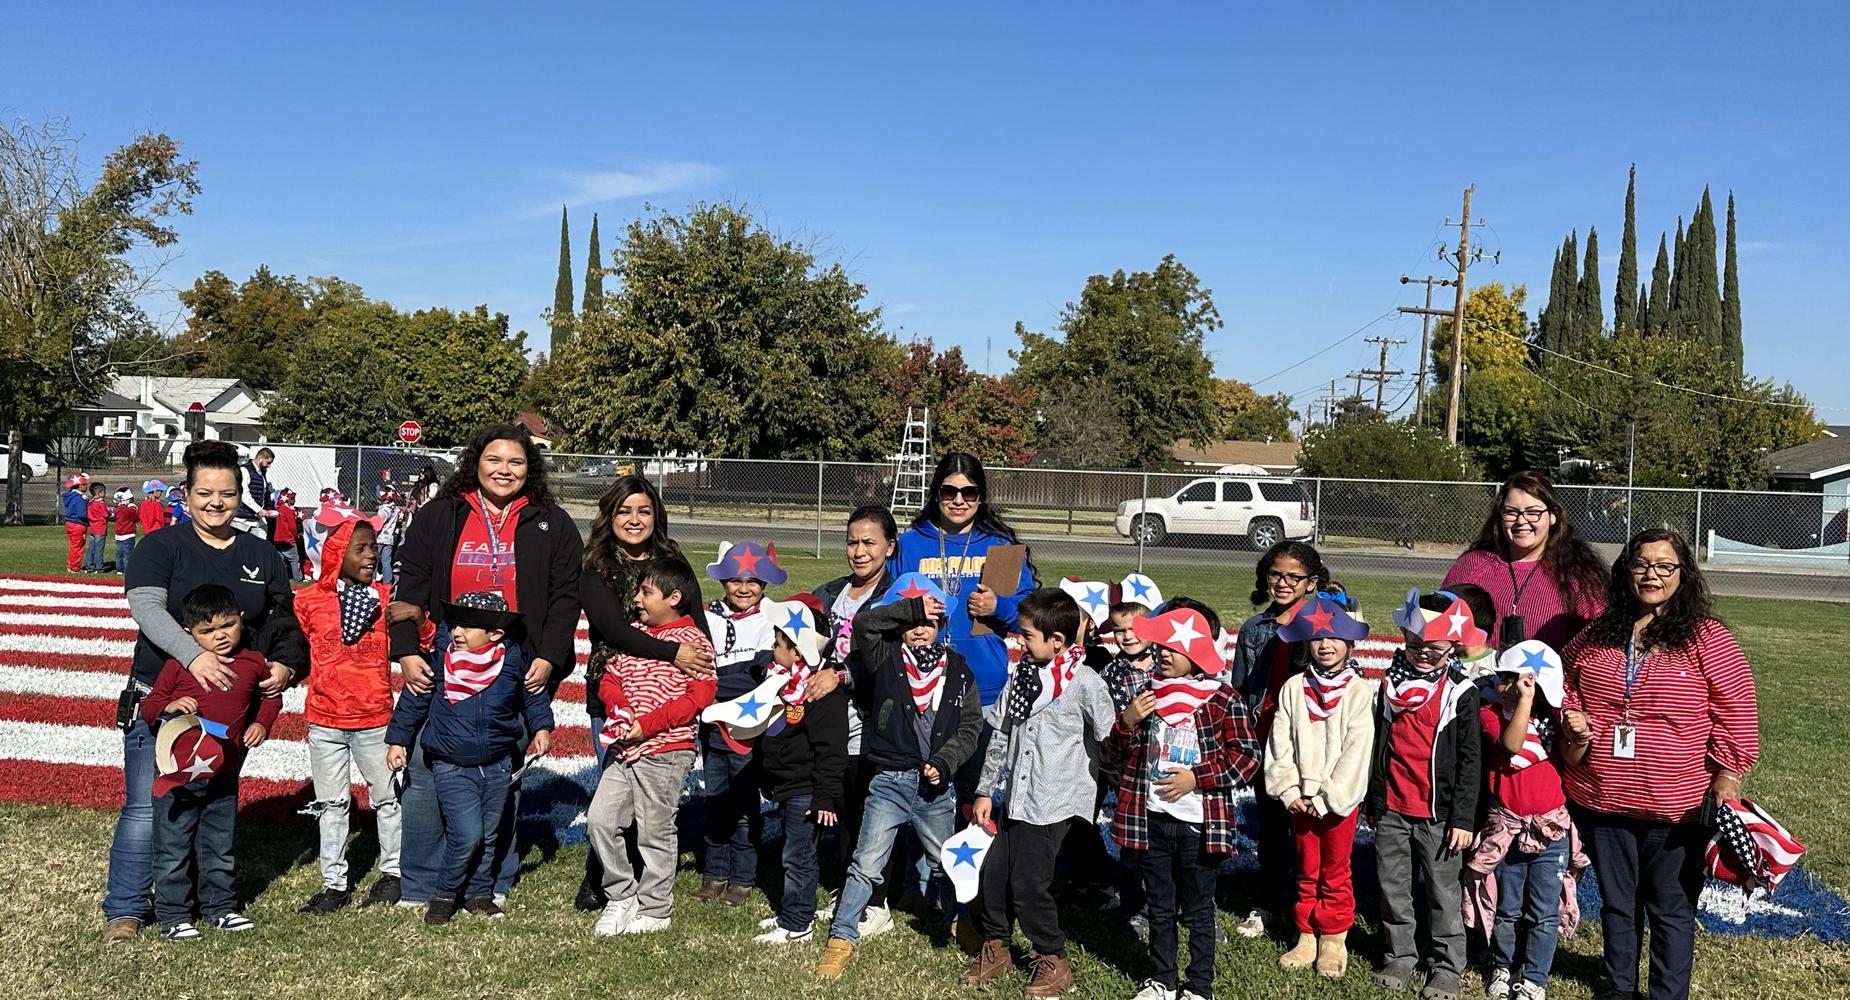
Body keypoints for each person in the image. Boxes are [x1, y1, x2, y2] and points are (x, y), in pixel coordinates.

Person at [109, 440, 306, 945]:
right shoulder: (160, 545)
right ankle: (126, 910)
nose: (216, 503)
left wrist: (286, 664)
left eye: (226, 493)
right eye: (204, 493)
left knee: (214, 804)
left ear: (241, 494)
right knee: (145, 807)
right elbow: (147, 611)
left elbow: (280, 618)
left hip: (228, 713)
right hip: (163, 696)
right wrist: (192, 656)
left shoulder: (261, 552)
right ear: (186, 493)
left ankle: (205, 901)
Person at [386, 423, 582, 908]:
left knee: (499, 774)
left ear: (529, 469)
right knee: (427, 769)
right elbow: (408, 586)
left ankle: (488, 880)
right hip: (443, 657)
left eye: (516, 462)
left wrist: (548, 656)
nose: (504, 470)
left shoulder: (550, 522)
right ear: (475, 462)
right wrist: (408, 649)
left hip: (516, 662)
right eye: (494, 460)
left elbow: (564, 599)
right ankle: (421, 882)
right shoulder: (440, 515)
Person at [1559, 529, 1759, 1000]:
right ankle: (1620, 987)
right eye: (1641, 564)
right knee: (1616, 904)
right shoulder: (1602, 630)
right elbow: (1564, 678)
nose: (1652, 574)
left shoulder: (1707, 637)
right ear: (1625, 570)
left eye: (1665, 565)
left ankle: (1668, 993)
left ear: (1683, 574)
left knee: (1670, 907)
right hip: (1602, 796)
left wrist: (1728, 773)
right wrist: (1573, 715)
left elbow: (1737, 709)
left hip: (1677, 805)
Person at [815, 574, 984, 981]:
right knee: (865, 863)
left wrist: (945, 762)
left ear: (943, 626)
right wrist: (911, 608)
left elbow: (971, 726)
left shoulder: (958, 670)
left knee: (944, 863)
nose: (920, 629)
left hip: (935, 788)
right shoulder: (884, 660)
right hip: (889, 782)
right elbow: (864, 624)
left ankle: (958, 921)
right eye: (912, 622)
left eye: (929, 620)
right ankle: (842, 935)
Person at [964, 589, 1116, 997]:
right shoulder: (1021, 676)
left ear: (1058, 642)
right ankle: (997, 945)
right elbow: (1001, 733)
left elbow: (1110, 734)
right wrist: (984, 790)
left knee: (1030, 884)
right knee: (993, 874)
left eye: (1027, 636)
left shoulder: (1085, 682)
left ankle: (1053, 958)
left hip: (1054, 802)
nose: (1019, 641)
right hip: (1016, 797)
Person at [1107, 601, 1262, 1000]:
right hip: (1152, 819)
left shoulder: (1222, 698)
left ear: (1195, 655)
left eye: (1172, 647)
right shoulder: (1147, 694)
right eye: (1159, 645)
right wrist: (1125, 723)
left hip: (1198, 823)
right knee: (1159, 907)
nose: (1161, 652)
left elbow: (1247, 758)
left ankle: (1199, 986)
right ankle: (1162, 979)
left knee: (1197, 911)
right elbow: (1115, 755)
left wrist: (1198, 777)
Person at [575, 475, 716, 911]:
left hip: (671, 699)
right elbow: (613, 630)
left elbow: (697, 621)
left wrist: (699, 661)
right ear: (609, 516)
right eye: (624, 511)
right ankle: (601, 878)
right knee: (613, 790)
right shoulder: (596, 565)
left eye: (644, 511)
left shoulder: (672, 560)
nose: (634, 520)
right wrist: (673, 652)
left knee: (654, 800)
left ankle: (650, 890)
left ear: (656, 516)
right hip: (617, 689)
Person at [386, 591, 554, 925]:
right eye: (456, 624)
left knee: (490, 836)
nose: (458, 632)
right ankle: (445, 894)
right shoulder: (440, 659)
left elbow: (531, 697)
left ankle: (479, 893)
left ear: (496, 634)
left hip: (497, 765)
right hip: (450, 765)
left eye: (469, 626)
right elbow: (413, 700)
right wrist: (397, 741)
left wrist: (542, 728)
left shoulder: (513, 659)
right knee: (467, 834)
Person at [139, 584, 283, 941]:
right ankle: (173, 914)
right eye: (207, 631)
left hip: (224, 770)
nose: (219, 637)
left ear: (242, 621)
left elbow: (271, 697)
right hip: (179, 772)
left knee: (218, 843)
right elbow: (149, 706)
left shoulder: (252, 663)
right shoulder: (179, 666)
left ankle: (220, 907)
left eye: (228, 626)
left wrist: (261, 723)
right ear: (189, 634)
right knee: (173, 845)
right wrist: (170, 707)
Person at [891, 452, 1036, 804]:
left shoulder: (998, 546)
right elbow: (887, 608)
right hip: (921, 686)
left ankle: (972, 860)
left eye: (969, 492)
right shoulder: (910, 544)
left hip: (983, 687)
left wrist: (998, 606)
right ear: (935, 494)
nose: (959, 500)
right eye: (949, 491)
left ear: (981, 496)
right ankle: (927, 861)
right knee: (923, 793)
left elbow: (1031, 616)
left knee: (974, 796)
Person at [297, 517, 422, 913]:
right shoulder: (308, 601)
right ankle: (334, 883)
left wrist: (418, 617)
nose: (371, 554)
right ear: (336, 555)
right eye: (361, 548)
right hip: (325, 720)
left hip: (375, 719)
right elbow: (294, 646)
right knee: (331, 805)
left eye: (374, 547)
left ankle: (392, 874)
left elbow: (427, 638)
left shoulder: (386, 598)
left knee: (387, 799)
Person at [1367, 590, 1486, 1000]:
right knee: (1393, 887)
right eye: (1415, 645)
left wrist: (1463, 819)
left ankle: (1447, 966)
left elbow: (1471, 762)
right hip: (1393, 809)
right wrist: (1375, 799)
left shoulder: (1460, 691)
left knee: (1442, 893)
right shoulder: (1389, 682)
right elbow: (1380, 744)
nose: (1422, 654)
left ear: (1452, 646)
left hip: (1439, 815)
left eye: (1433, 649)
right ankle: (1400, 954)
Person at [1265, 592, 1375, 980]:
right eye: (1316, 638)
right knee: (1306, 866)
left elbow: (1357, 750)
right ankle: (1307, 931)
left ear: (1349, 642)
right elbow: (1281, 743)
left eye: (1334, 638)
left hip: (1337, 802)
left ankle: (1333, 934)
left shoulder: (1359, 691)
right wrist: (1290, 791)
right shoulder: (1294, 687)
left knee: (1335, 868)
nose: (1325, 645)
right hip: (1300, 800)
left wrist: (1330, 798)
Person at [1228, 540, 1329, 939]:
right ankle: (1271, 903)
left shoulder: (1326, 622)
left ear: (1311, 582)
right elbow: (1240, 689)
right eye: (1275, 575)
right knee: (1271, 830)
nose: (1283, 583)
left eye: (1293, 576)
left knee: (1312, 829)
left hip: (1314, 742)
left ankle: (1316, 906)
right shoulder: (1255, 628)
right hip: (1267, 739)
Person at [1469, 641, 1577, 1000]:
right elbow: (1511, 746)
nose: (1512, 688)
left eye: (1522, 681)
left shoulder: (1552, 722)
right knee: (1507, 907)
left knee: (1543, 911)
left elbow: (1574, 757)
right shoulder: (1489, 715)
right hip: (1509, 829)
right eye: (1505, 679)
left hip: (1551, 829)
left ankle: (1535, 977)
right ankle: (1502, 965)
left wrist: (1582, 732)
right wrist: (1523, 701)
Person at [807, 506, 898, 933]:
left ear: (889, 547)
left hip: (872, 721)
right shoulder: (829, 594)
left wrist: (841, 674)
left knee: (869, 812)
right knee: (843, 807)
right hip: (832, 723)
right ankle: (848, 889)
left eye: (869, 543)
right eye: (852, 542)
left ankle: (876, 902)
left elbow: (895, 665)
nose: (859, 551)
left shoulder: (897, 599)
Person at [752, 598, 849, 945]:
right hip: (788, 785)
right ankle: (791, 912)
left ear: (796, 653)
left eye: (778, 643)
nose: (771, 648)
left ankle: (797, 922)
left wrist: (824, 795)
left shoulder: (820, 693)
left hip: (806, 790)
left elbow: (831, 750)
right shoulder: (783, 681)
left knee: (799, 855)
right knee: (794, 852)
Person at [695, 540, 785, 908]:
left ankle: (744, 876)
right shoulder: (709, 616)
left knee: (745, 804)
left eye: (752, 581)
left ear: (764, 584)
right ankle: (714, 872)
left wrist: (717, 680)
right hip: (713, 727)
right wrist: (727, 679)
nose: (743, 588)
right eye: (734, 580)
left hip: (750, 729)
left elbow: (761, 678)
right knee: (716, 799)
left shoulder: (772, 619)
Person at [1445, 472, 1608, 650]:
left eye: (1533, 513)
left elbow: (1599, 646)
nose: (1521, 521)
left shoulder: (1579, 576)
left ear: (1553, 516)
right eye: (1511, 513)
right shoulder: (1473, 565)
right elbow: (1437, 626)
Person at [236, 446, 277, 536]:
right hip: (242, 519)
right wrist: (258, 510)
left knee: (260, 545)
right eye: (268, 462)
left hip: (256, 520)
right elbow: (244, 494)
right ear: (260, 458)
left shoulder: (261, 473)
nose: (269, 466)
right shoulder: (244, 470)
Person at [272, 488, 303, 582]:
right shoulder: (289, 511)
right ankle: (298, 578)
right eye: (293, 498)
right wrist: (296, 536)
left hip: (278, 539)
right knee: (294, 560)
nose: (295, 500)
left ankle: (278, 578)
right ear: (287, 499)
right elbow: (292, 526)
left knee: (281, 560)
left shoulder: (279, 509)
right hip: (288, 539)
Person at [374, 488, 402, 585]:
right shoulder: (396, 509)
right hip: (389, 539)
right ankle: (388, 583)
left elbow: (379, 523)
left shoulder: (384, 510)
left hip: (380, 538)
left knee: (374, 560)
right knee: (386, 562)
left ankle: (372, 580)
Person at [63, 474, 90, 572]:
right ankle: (74, 566)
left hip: (69, 523)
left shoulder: (70, 497)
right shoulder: (80, 499)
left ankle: (71, 564)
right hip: (78, 524)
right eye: (85, 484)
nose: (86, 487)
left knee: (73, 545)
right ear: (81, 486)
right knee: (78, 546)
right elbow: (82, 513)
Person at [112, 487, 140, 575]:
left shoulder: (117, 510)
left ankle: (119, 569)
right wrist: (134, 508)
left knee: (119, 553)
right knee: (127, 553)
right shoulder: (128, 510)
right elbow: (136, 518)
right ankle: (127, 569)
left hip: (118, 534)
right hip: (128, 534)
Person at [85, 482, 109, 573]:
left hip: (92, 528)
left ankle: (89, 566)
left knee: (91, 549)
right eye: (104, 492)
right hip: (100, 529)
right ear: (99, 493)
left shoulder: (90, 503)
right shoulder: (101, 504)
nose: (105, 494)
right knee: (99, 549)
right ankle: (99, 567)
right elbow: (106, 514)